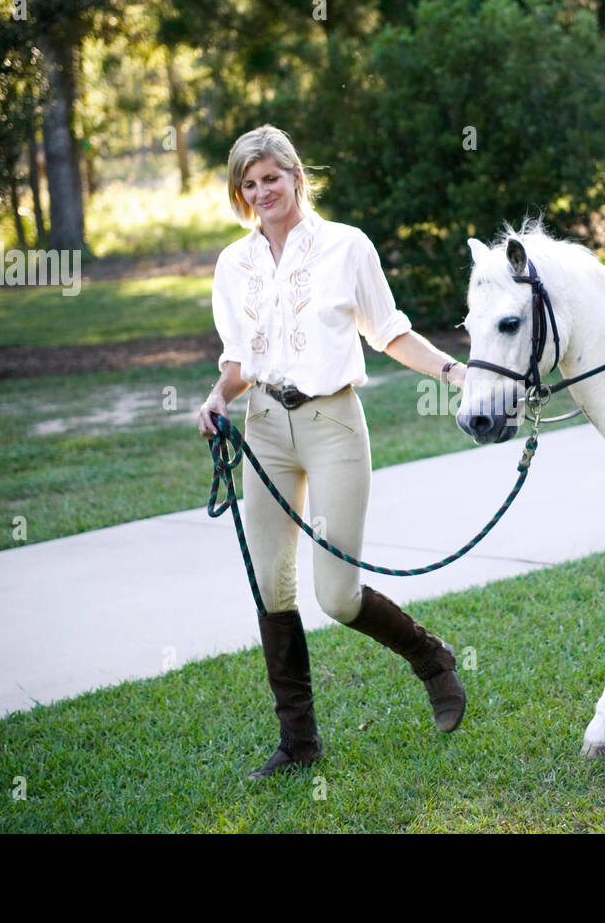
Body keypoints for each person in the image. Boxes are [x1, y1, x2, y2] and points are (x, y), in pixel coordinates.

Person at [197, 125, 470, 780]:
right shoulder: (234, 264)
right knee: (270, 587)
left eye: (271, 177)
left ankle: (432, 660)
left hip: (333, 424)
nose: (262, 191)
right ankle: (299, 743)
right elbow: (238, 359)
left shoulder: (347, 246)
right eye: (250, 183)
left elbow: (390, 332)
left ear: (295, 174)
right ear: (242, 192)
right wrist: (214, 399)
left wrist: (457, 374)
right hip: (263, 425)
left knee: (338, 596)